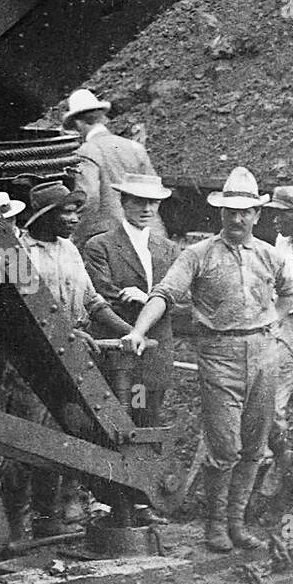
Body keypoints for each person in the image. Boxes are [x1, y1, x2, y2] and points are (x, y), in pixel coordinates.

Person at [122, 167, 293, 551]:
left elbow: (288, 291)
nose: (237, 219)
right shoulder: (198, 255)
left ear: (256, 215)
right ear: (220, 213)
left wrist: (274, 321)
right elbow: (165, 294)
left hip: (264, 353)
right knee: (225, 446)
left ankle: (237, 523)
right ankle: (215, 524)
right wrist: (138, 331)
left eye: (245, 212)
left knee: (254, 446)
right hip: (219, 355)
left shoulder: (269, 255)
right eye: (230, 212)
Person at [0, 182, 128, 539]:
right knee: (23, 441)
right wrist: (71, 334)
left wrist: (131, 331)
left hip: (70, 361)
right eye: (65, 213)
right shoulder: (20, 253)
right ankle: (14, 526)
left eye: (75, 212)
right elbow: (20, 316)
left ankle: (48, 518)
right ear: (43, 216)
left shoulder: (69, 249)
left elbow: (92, 300)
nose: (73, 219)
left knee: (62, 439)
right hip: (30, 364)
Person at [82, 173, 177, 429]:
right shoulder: (100, 245)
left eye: (152, 202)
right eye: (138, 201)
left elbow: (179, 296)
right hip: (119, 352)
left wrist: (148, 299)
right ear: (124, 202)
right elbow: (101, 293)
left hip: (154, 352)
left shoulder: (167, 248)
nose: (147, 209)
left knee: (146, 417)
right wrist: (137, 301)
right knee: (115, 421)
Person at [62, 88, 158, 244]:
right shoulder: (135, 147)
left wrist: (76, 236)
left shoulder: (86, 151)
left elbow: (89, 199)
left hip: (108, 238)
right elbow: (154, 190)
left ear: (78, 123)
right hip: (145, 234)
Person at [265, 184, 293, 469]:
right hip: (286, 324)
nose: (276, 220)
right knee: (272, 399)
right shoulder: (282, 243)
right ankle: (282, 461)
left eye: (283, 214)